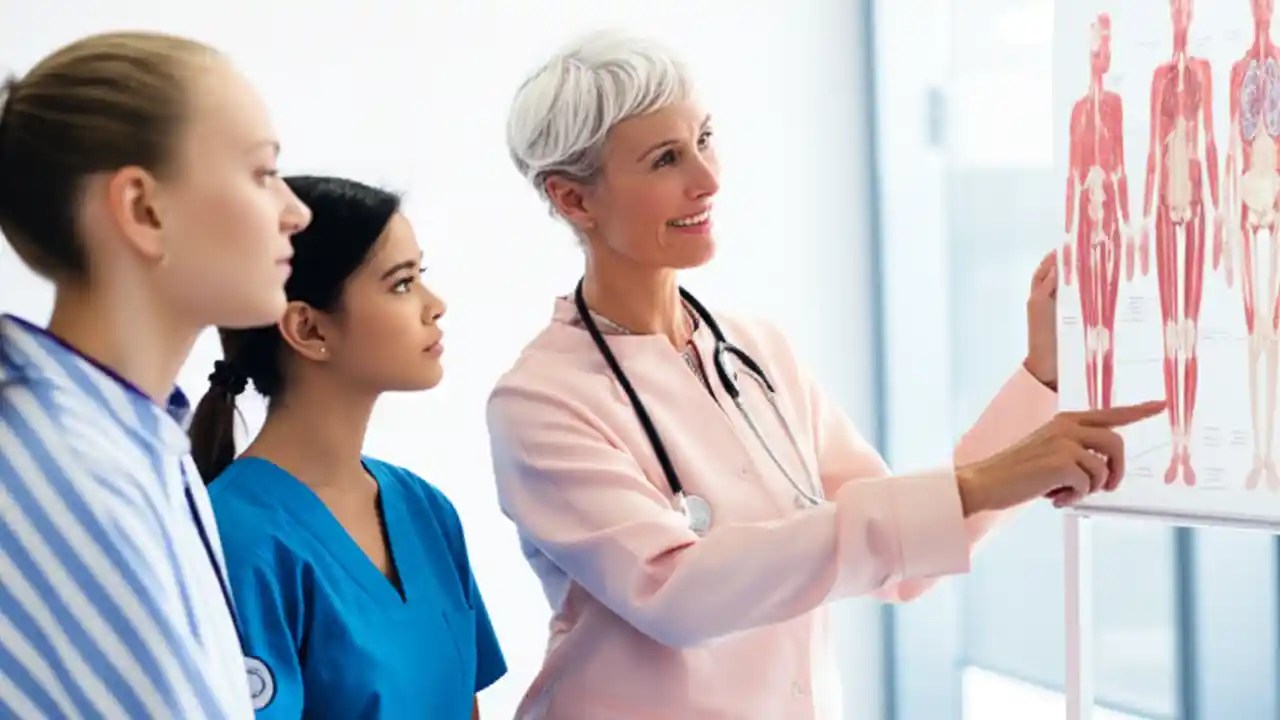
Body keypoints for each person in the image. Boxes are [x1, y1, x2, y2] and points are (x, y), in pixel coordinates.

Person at [485, 29, 1166, 719]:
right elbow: (680, 595)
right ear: (574, 200)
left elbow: (916, 550)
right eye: (666, 159)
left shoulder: (755, 353)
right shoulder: (540, 402)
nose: (709, 178)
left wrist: (1040, 376)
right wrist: (979, 483)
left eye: (705, 138)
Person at [0, 31, 310, 719]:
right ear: (143, 210)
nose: (296, 212)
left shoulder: (135, 443)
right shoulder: (65, 468)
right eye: (263, 173)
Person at [189, 175, 507, 718]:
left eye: (421, 275)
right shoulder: (237, 542)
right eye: (402, 283)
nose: (436, 305)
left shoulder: (426, 509)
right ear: (309, 327)